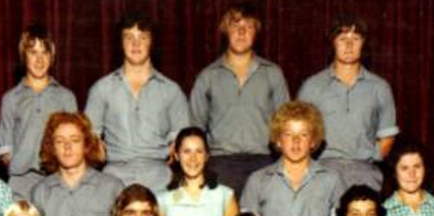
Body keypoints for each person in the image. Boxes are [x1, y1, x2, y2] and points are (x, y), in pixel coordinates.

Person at [188, 3, 290, 195]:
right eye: (235, 25)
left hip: (264, 161)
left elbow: (286, 123)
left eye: (248, 26)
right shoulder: (208, 76)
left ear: (256, 32)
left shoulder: (273, 73)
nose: (241, 32)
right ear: (225, 30)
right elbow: (195, 127)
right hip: (221, 162)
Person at [84, 11, 190, 192]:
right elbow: (88, 135)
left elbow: (184, 138)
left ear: (152, 42)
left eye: (143, 37)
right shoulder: (101, 89)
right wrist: (95, 147)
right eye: (129, 37)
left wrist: (176, 145)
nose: (136, 44)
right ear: (121, 43)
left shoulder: (171, 91)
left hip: (160, 177)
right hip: (114, 176)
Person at [296, 14, 398, 190]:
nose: (349, 45)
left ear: (363, 43)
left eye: (355, 39)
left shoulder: (380, 87)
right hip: (321, 171)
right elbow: (298, 132)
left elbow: (387, 137)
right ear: (333, 43)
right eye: (343, 39)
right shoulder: (312, 86)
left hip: (364, 172)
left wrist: (368, 159)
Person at [0, 25, 79, 200]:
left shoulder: (66, 97)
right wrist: (17, 165)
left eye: (45, 52)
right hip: (21, 182)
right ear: (23, 56)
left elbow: (75, 142)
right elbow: (5, 148)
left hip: (57, 180)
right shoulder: (11, 98)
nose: (39, 59)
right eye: (33, 52)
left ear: (52, 56)